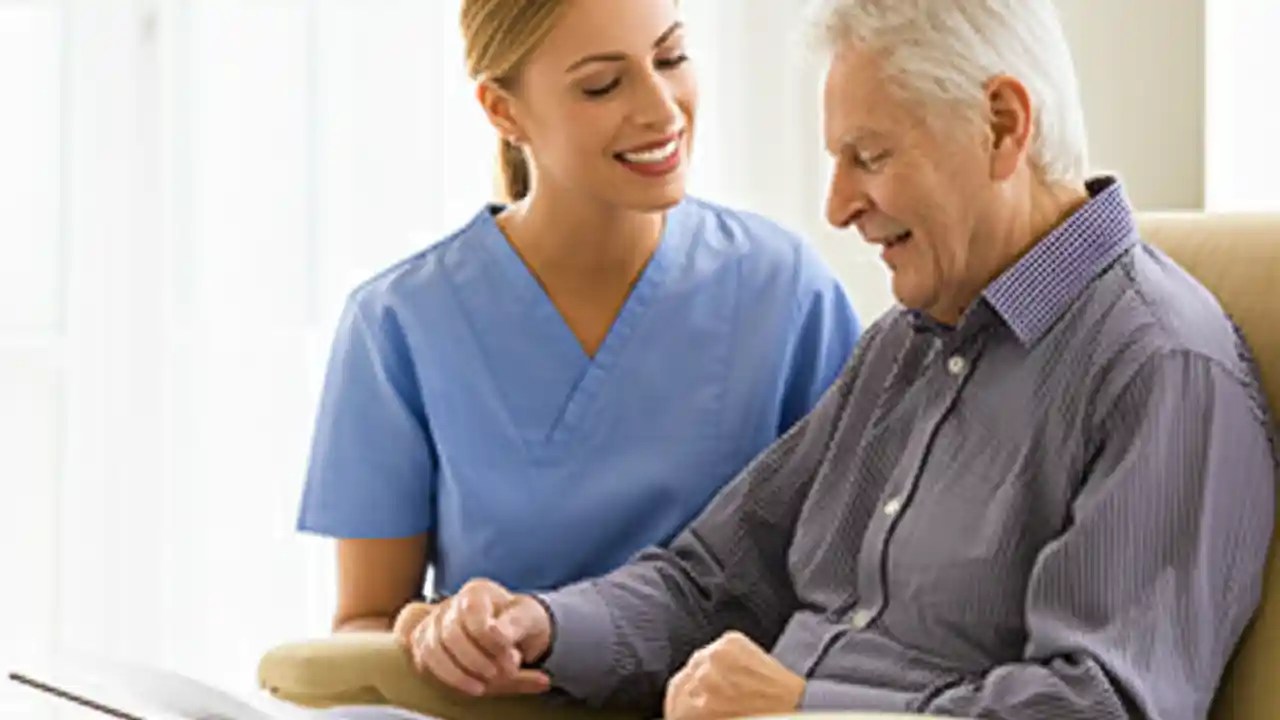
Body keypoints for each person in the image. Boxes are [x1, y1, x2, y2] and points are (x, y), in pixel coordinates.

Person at [408, 0, 1279, 718]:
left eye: (870, 157)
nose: (836, 206)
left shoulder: (1161, 369)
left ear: (1003, 125)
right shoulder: (908, 344)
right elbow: (712, 583)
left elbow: (1099, 707)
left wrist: (804, 709)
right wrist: (542, 624)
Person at [294, 0, 862, 645]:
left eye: (670, 59)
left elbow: (850, 590)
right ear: (503, 111)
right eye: (603, 84)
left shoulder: (782, 291)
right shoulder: (398, 324)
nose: (662, 109)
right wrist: (430, 636)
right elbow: (364, 624)